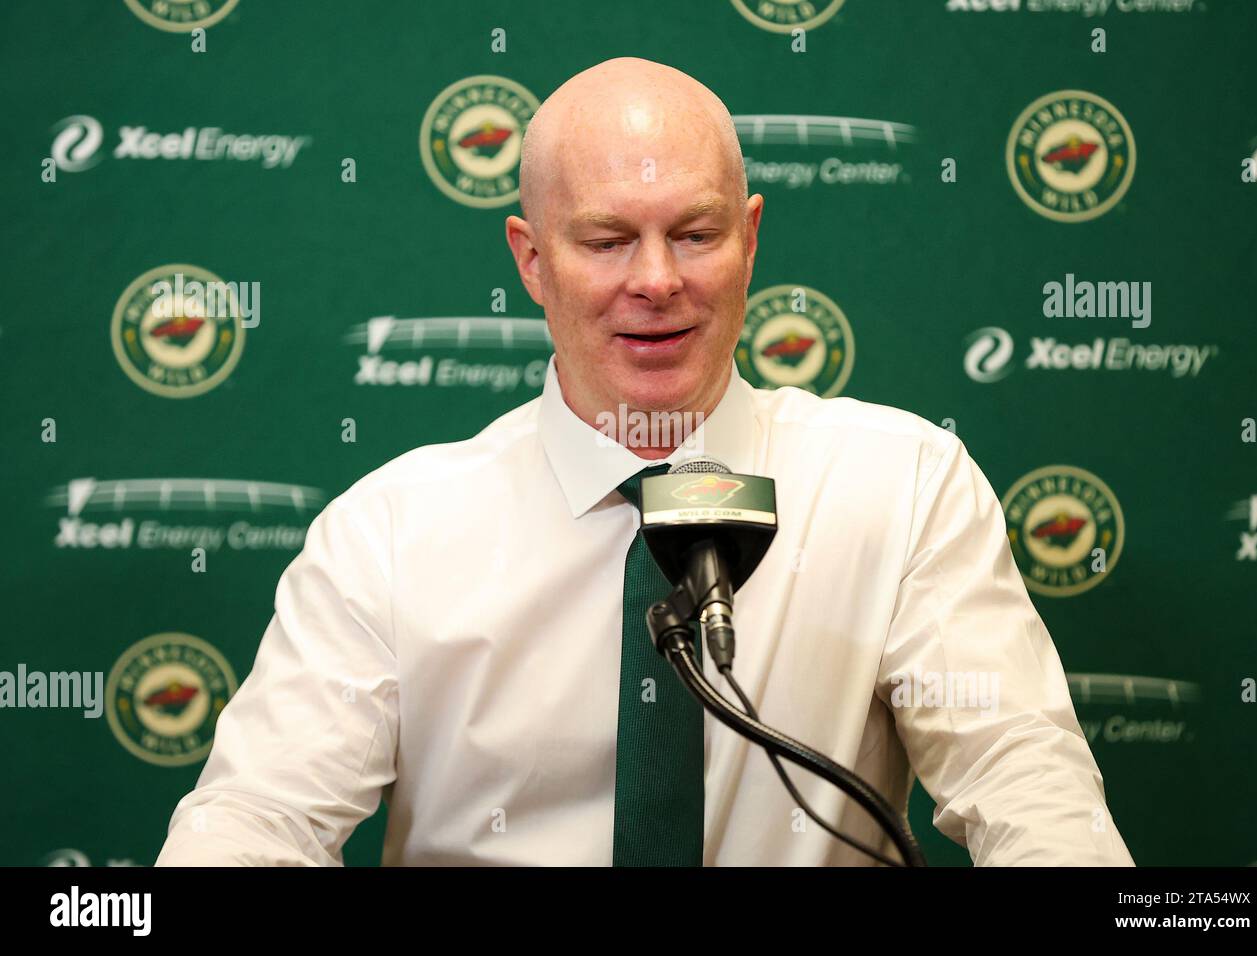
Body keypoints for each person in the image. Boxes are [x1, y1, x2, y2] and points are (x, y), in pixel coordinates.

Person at [155, 57, 1133, 866]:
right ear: (531, 261)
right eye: (608, 239)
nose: (657, 280)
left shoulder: (903, 483)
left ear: (750, 240)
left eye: (696, 234)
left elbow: (1024, 778)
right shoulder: (392, 528)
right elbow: (259, 819)